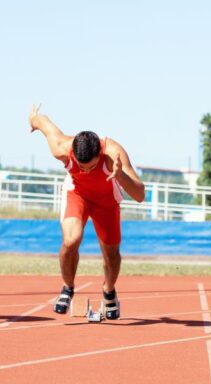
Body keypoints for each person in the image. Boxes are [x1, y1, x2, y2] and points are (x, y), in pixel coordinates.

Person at [28, 104, 145, 318]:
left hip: (106, 201)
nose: (85, 170)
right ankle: (67, 287)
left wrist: (120, 176)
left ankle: (109, 291)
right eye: (82, 166)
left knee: (111, 253)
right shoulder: (61, 147)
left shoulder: (113, 154)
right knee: (71, 240)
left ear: (99, 154)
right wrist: (33, 119)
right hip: (77, 195)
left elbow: (139, 195)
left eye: (90, 167)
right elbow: (44, 124)